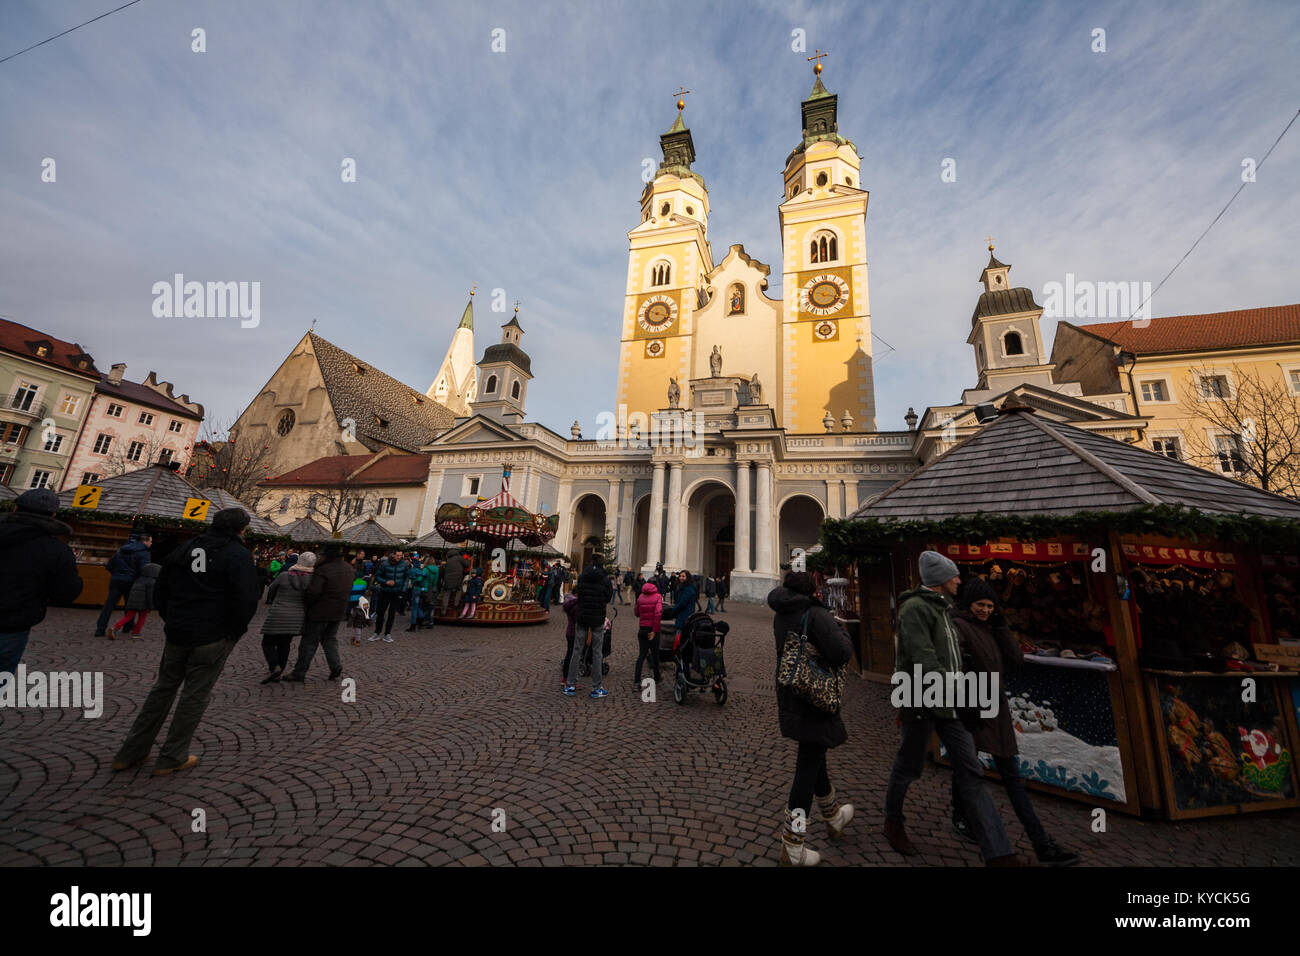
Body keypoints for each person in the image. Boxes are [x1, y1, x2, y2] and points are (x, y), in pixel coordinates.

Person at [883, 551, 1023, 866]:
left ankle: (1000, 853)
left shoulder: (944, 609)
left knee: (972, 772)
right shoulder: (915, 609)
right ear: (941, 579)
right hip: (921, 702)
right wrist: (959, 693)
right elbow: (925, 658)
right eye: (955, 575)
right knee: (909, 766)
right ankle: (892, 820)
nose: (960, 580)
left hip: (950, 705)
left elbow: (952, 657)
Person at [112, 507, 260, 776]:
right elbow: (246, 598)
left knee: (162, 689)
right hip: (213, 633)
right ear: (241, 529)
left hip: (180, 629)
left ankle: (131, 751)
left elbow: (162, 586)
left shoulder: (187, 547)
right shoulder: (237, 555)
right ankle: (172, 755)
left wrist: (172, 617)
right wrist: (234, 631)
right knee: (195, 694)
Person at [950, 577, 1080, 866]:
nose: (985, 610)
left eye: (989, 605)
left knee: (1008, 776)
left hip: (995, 710)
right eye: (980, 605)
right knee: (970, 771)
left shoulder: (990, 626)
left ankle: (1041, 843)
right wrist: (965, 701)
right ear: (968, 604)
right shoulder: (959, 627)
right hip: (973, 710)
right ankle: (968, 821)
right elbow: (955, 667)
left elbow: (1015, 659)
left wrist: (1000, 624)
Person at [768, 571, 855, 866]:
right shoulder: (815, 614)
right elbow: (841, 652)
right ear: (811, 590)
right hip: (814, 694)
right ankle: (794, 844)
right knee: (807, 768)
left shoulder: (782, 612)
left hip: (791, 691)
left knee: (814, 753)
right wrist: (842, 632)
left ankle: (833, 815)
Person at [0, 488, 83, 673]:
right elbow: (65, 593)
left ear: (15, 508)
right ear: (53, 515)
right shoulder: (57, 551)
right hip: (12, 624)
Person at [286, 544, 352, 682]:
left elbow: (314, 592)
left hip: (320, 611)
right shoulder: (348, 568)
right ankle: (335, 666)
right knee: (330, 639)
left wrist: (307, 604)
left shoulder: (323, 569)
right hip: (338, 610)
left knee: (309, 643)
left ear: (326, 555)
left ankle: (299, 672)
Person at [259, 551, 314, 683]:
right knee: (285, 644)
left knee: (267, 642)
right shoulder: (312, 580)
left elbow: (271, 589)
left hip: (278, 613)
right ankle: (280, 670)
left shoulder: (284, 575)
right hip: (296, 616)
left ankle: (274, 666)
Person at [565, 556, 612, 698]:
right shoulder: (605, 579)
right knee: (597, 653)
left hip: (582, 616)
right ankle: (596, 688)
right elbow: (608, 597)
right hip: (597, 618)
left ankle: (570, 685)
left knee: (576, 651)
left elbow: (578, 592)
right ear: (602, 564)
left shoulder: (583, 576)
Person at [95, 532, 151, 637]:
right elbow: (144, 569)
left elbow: (110, 565)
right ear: (145, 541)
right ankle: (127, 627)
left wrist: (116, 574)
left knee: (109, 606)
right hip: (131, 581)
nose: (151, 544)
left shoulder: (122, 550)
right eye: (150, 541)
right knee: (130, 606)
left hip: (116, 580)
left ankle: (100, 629)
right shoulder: (144, 552)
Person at [110, 562, 161, 639]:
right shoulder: (152, 582)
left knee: (128, 616)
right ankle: (136, 632)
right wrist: (151, 606)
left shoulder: (139, 579)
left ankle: (115, 628)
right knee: (142, 617)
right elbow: (149, 595)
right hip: (143, 604)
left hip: (132, 602)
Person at [368, 549, 409, 642]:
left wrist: (403, 589)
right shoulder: (385, 564)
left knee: (392, 613)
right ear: (393, 555)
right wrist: (386, 582)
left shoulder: (404, 564)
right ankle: (377, 633)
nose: (399, 557)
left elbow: (406, 577)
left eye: (400, 555)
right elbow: (377, 576)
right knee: (380, 612)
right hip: (385, 591)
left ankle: (387, 634)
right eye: (397, 555)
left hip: (397, 592)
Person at [634, 580, 663, 688]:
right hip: (652, 629)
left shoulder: (640, 596)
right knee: (655, 654)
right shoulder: (658, 596)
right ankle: (657, 677)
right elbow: (658, 613)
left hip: (642, 629)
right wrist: (654, 631)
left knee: (641, 655)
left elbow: (636, 613)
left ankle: (637, 680)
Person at [665, 570, 698, 656]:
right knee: (683, 635)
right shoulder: (684, 587)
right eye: (680, 576)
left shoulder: (688, 588)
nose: (681, 578)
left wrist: (673, 609)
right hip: (684, 614)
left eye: (683, 576)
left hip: (684, 615)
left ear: (687, 577)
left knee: (680, 634)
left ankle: (678, 653)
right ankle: (680, 653)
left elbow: (683, 603)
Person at [439, 551, 469, 615]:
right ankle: (456, 604)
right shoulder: (459, 558)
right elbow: (467, 564)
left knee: (446, 594)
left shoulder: (448, 560)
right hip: (457, 578)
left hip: (447, 579)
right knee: (459, 590)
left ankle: (443, 611)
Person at [560, 590, 579, 685]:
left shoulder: (570, 604)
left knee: (569, 654)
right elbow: (578, 620)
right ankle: (569, 678)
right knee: (573, 656)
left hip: (569, 632)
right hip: (575, 632)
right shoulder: (576, 605)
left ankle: (565, 677)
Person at [407, 555, 430, 631]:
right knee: (419, 606)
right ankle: (421, 620)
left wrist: (415, 580)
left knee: (414, 607)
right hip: (422, 590)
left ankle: (413, 625)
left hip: (416, 590)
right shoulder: (422, 570)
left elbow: (412, 578)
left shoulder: (412, 570)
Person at [347, 572, 369, 646]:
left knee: (356, 621)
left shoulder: (352, 583)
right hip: (361, 604)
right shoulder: (364, 583)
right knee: (359, 622)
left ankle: (357, 639)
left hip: (353, 604)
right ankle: (357, 639)